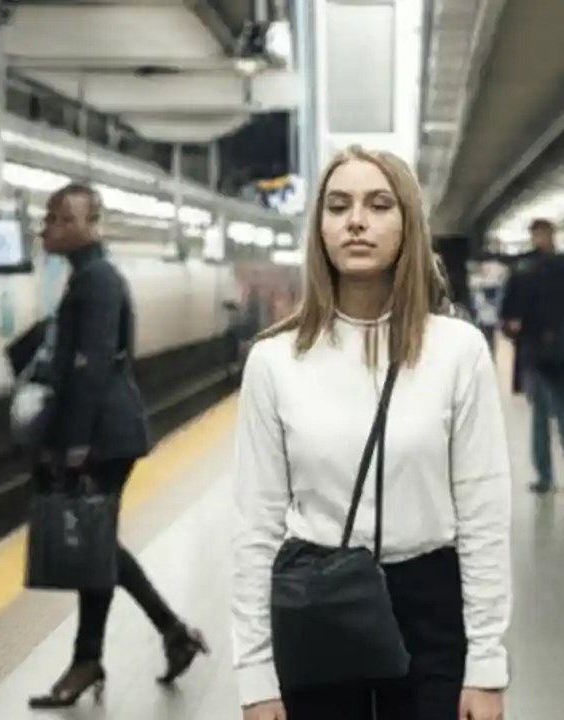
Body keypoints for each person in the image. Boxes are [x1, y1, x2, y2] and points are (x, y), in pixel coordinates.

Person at [231, 146, 512, 720]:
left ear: (409, 225)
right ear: (320, 229)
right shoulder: (275, 361)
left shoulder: (457, 351)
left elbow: (484, 512)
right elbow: (255, 525)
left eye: (379, 205)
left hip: (430, 609)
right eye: (338, 206)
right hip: (319, 606)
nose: (356, 221)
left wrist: (487, 663)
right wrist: (255, 675)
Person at [27, 183, 207, 709]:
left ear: (91, 223)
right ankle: (156, 638)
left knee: (95, 543)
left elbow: (95, 365)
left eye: (62, 219)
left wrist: (76, 445)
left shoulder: (98, 281)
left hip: (104, 436)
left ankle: (105, 654)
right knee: (96, 544)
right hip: (101, 433)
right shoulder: (86, 278)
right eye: (50, 218)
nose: (48, 228)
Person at [501, 219, 564, 494]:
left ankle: (553, 476)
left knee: (549, 417)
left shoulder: (525, 269)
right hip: (558, 354)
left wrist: (517, 329)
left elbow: (509, 316)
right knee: (558, 416)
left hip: (543, 354)